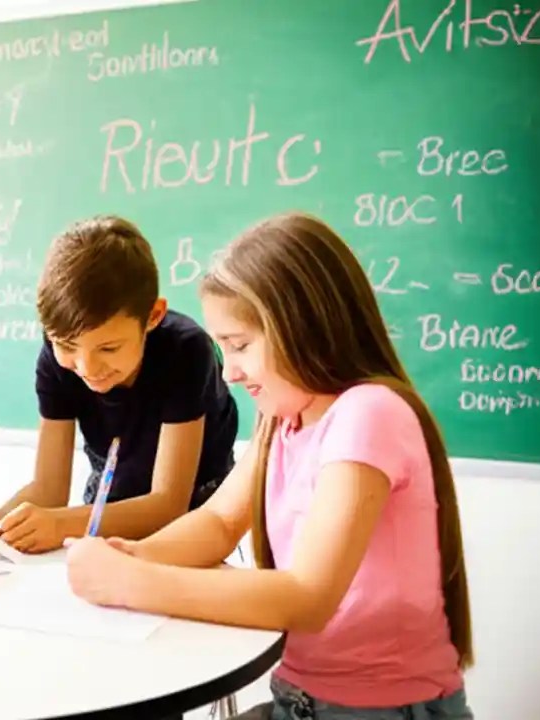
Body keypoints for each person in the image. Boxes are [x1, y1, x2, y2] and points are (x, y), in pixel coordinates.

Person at [65, 211, 475, 719]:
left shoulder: (368, 413)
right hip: (298, 700)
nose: (230, 372)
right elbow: (217, 524)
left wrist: (130, 583)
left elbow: (307, 597)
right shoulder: (284, 421)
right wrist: (134, 555)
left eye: (239, 346)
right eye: (223, 349)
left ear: (305, 325)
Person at [0, 215, 238, 554]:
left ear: (153, 316)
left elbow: (167, 506)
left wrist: (59, 523)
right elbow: (48, 490)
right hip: (106, 505)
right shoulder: (57, 361)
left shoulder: (186, 351)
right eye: (67, 346)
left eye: (109, 348)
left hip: (194, 518)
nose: (87, 368)